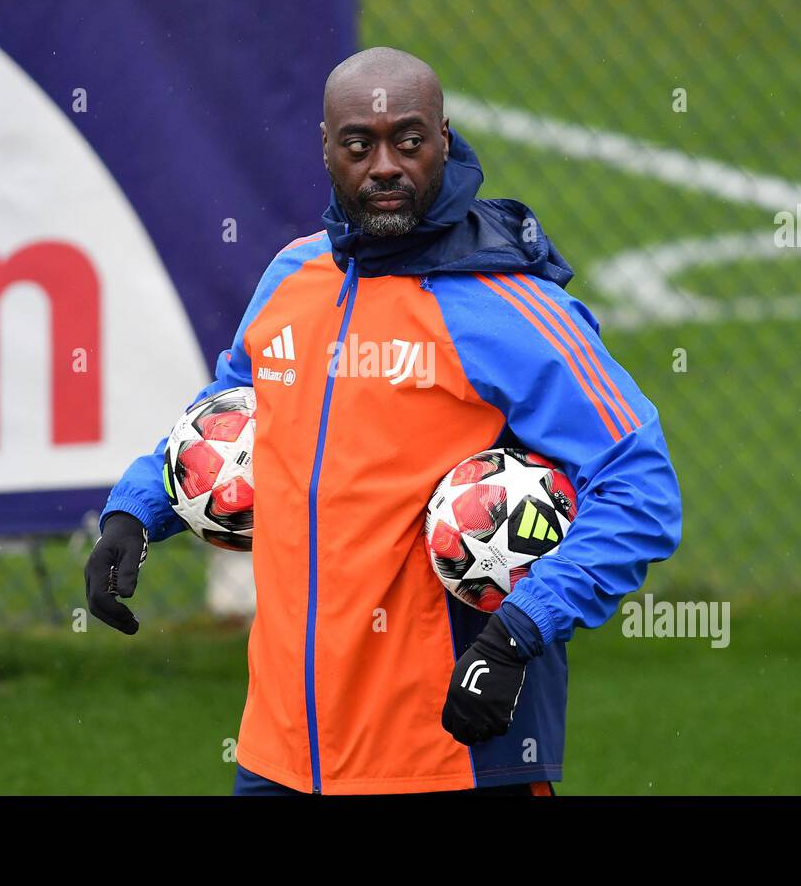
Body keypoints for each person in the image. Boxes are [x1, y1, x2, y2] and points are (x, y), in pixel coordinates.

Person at [84, 47, 683, 796]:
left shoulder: (511, 310)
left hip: (447, 758)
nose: (385, 166)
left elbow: (640, 487)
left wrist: (519, 631)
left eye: (409, 140)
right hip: (280, 754)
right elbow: (232, 416)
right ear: (326, 149)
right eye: (359, 144)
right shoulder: (292, 278)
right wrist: (136, 510)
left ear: (444, 139)